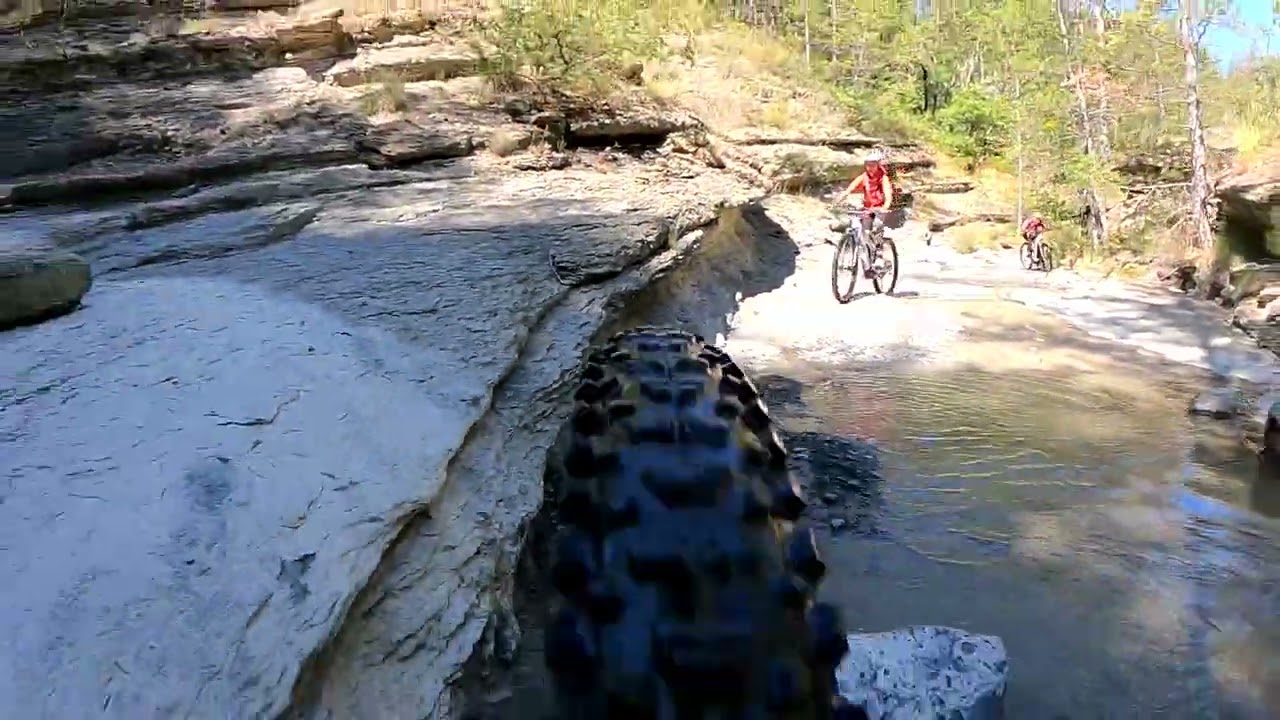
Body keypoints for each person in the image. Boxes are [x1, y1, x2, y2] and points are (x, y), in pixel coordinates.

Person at [835, 149, 895, 275]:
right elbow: (848, 190)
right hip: (867, 209)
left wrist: (885, 206)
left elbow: (888, 195)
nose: (869, 167)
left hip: (879, 209)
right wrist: (835, 203)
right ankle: (867, 267)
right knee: (864, 234)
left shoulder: (883, 178)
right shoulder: (864, 177)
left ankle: (879, 255)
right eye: (867, 164)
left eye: (872, 165)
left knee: (876, 228)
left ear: (878, 165)